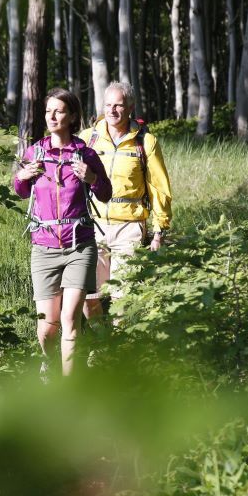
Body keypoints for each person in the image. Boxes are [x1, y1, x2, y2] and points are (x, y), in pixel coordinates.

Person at [14, 88, 112, 376]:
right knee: (48, 325)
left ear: (71, 117)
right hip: (43, 247)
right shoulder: (35, 151)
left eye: (58, 111)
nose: (52, 116)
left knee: (71, 318)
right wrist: (21, 176)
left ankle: (69, 387)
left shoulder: (85, 153)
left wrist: (92, 177)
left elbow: (106, 193)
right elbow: (20, 191)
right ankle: (48, 363)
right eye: (48, 111)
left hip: (79, 245)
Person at [79, 81, 172, 320]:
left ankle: (120, 351)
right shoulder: (88, 139)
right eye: (108, 105)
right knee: (89, 298)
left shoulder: (145, 142)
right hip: (93, 227)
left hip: (129, 228)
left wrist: (159, 230)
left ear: (130, 107)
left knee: (124, 296)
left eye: (118, 105)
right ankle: (101, 343)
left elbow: (158, 187)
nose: (112, 111)